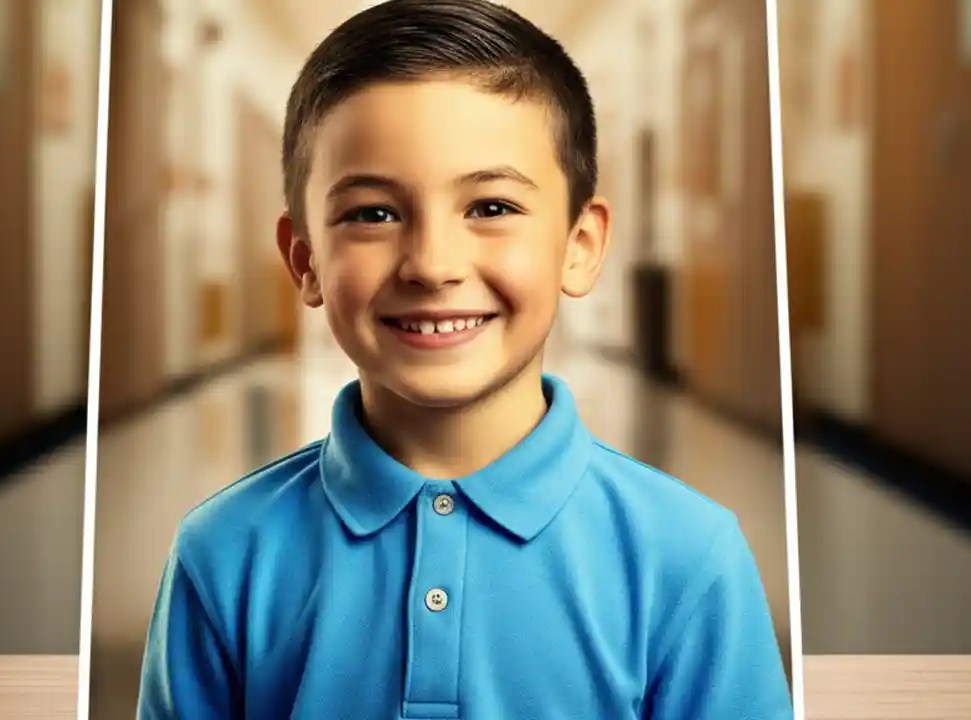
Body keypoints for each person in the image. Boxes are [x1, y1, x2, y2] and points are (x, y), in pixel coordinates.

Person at [138, 0, 792, 717]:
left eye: (490, 207)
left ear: (580, 245)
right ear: (305, 261)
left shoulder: (687, 558)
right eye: (373, 214)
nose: (432, 265)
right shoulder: (224, 555)